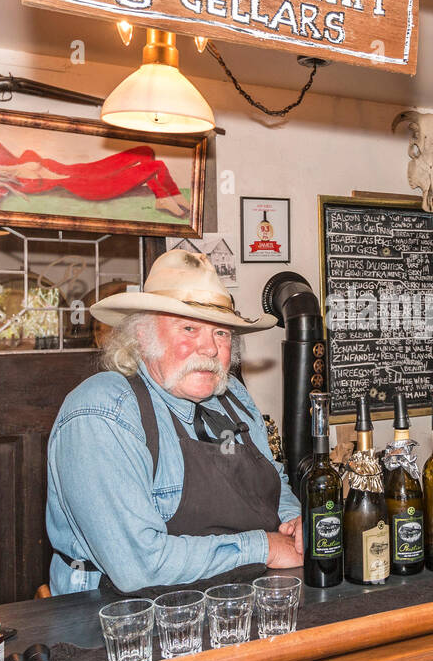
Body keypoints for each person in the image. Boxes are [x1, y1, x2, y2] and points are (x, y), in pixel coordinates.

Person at [45, 250, 303, 595]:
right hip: (115, 611)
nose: (210, 349)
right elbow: (137, 565)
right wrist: (265, 547)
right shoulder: (102, 412)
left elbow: (273, 482)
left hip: (232, 593)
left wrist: (293, 522)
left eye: (221, 334)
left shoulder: (234, 397)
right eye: (189, 328)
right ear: (141, 336)